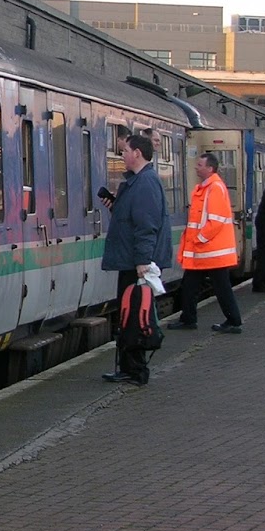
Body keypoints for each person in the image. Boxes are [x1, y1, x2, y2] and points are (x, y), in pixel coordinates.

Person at [98, 134, 173, 387]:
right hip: (131, 260)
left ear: (137, 153)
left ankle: (135, 370)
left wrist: (143, 261)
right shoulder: (137, 183)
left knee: (134, 317)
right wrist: (114, 207)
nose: (122, 156)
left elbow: (146, 226)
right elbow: (133, 220)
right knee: (129, 314)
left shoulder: (145, 184)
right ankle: (129, 368)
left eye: (125, 151)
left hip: (136, 263)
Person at [170, 152, 243, 333]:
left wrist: (198, 239)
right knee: (191, 285)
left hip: (210, 250)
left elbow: (216, 221)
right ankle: (188, 318)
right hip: (206, 250)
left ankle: (233, 321)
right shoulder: (207, 187)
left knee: (220, 287)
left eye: (200, 165)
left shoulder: (214, 188)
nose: (196, 167)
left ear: (210, 169)